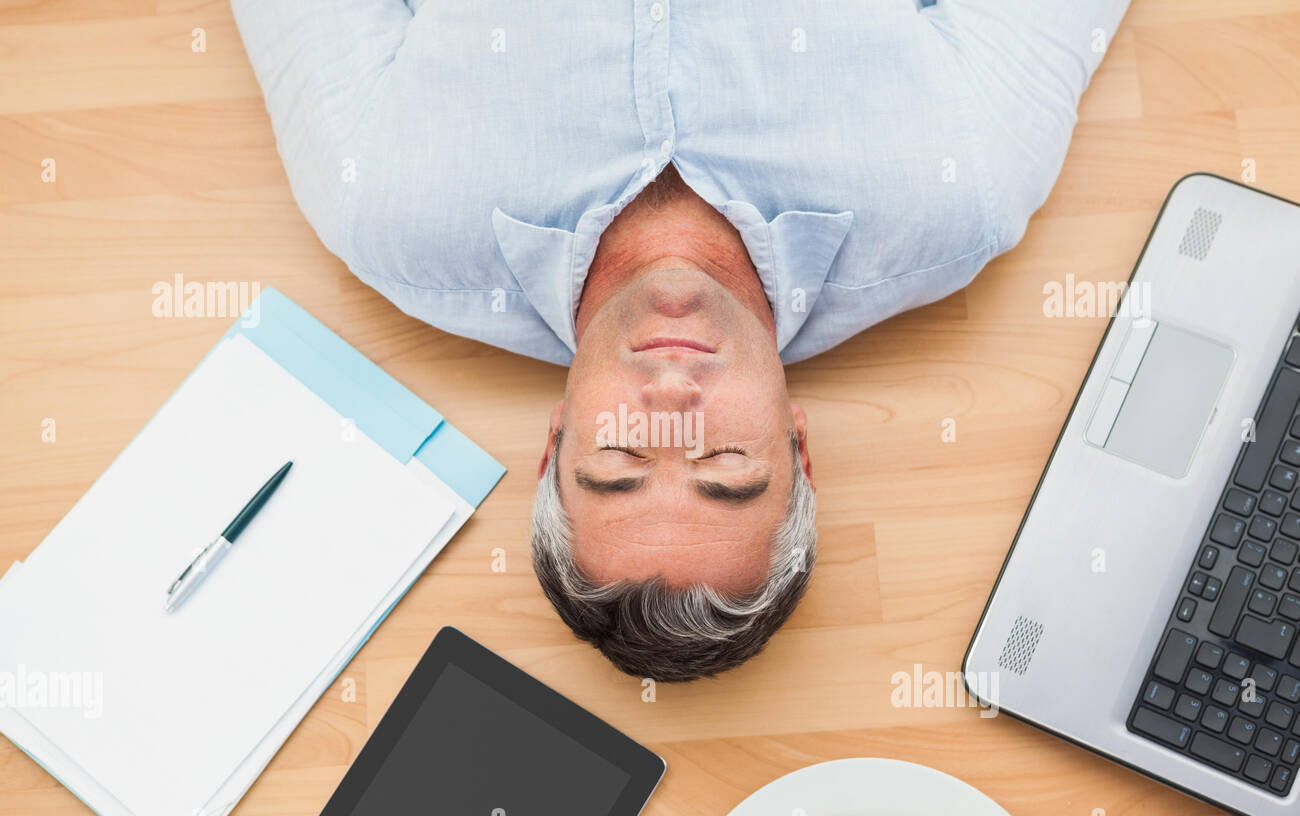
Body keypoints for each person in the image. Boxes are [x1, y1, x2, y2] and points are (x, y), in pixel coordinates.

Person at [232, 0, 1130, 681]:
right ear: (798, 447)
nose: (671, 406)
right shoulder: (958, 186)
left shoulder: (386, 200)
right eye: (726, 461)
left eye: (622, 456)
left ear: (554, 443)